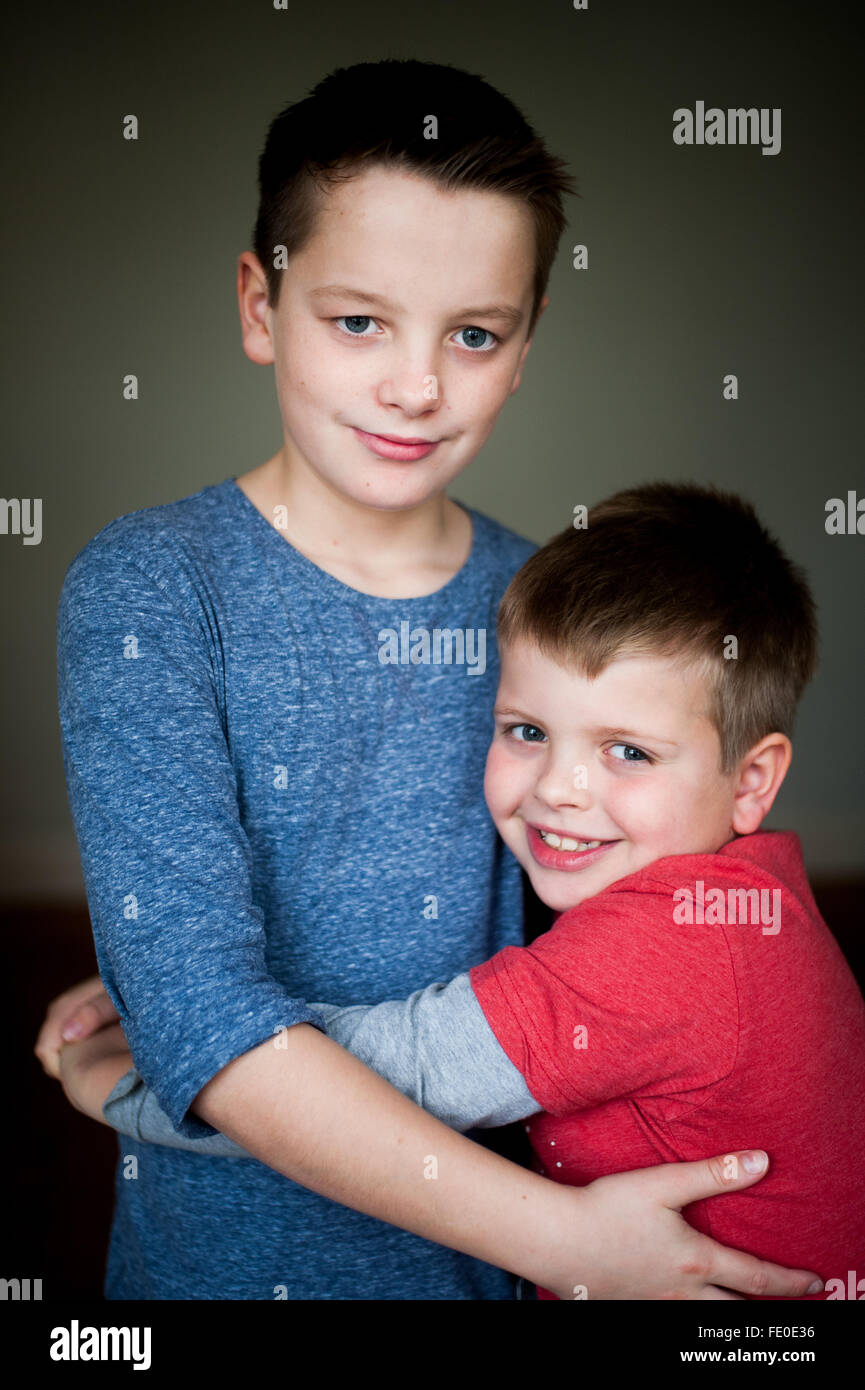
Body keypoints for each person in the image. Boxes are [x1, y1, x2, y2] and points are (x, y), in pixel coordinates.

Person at [36, 60, 822, 1301]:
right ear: (259, 303)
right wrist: (171, 988)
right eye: (359, 321)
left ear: (524, 345)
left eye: (473, 333)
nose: (416, 384)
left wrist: (170, 1044)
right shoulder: (150, 586)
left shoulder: (547, 610)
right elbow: (206, 1017)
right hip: (226, 1278)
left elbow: (642, 951)